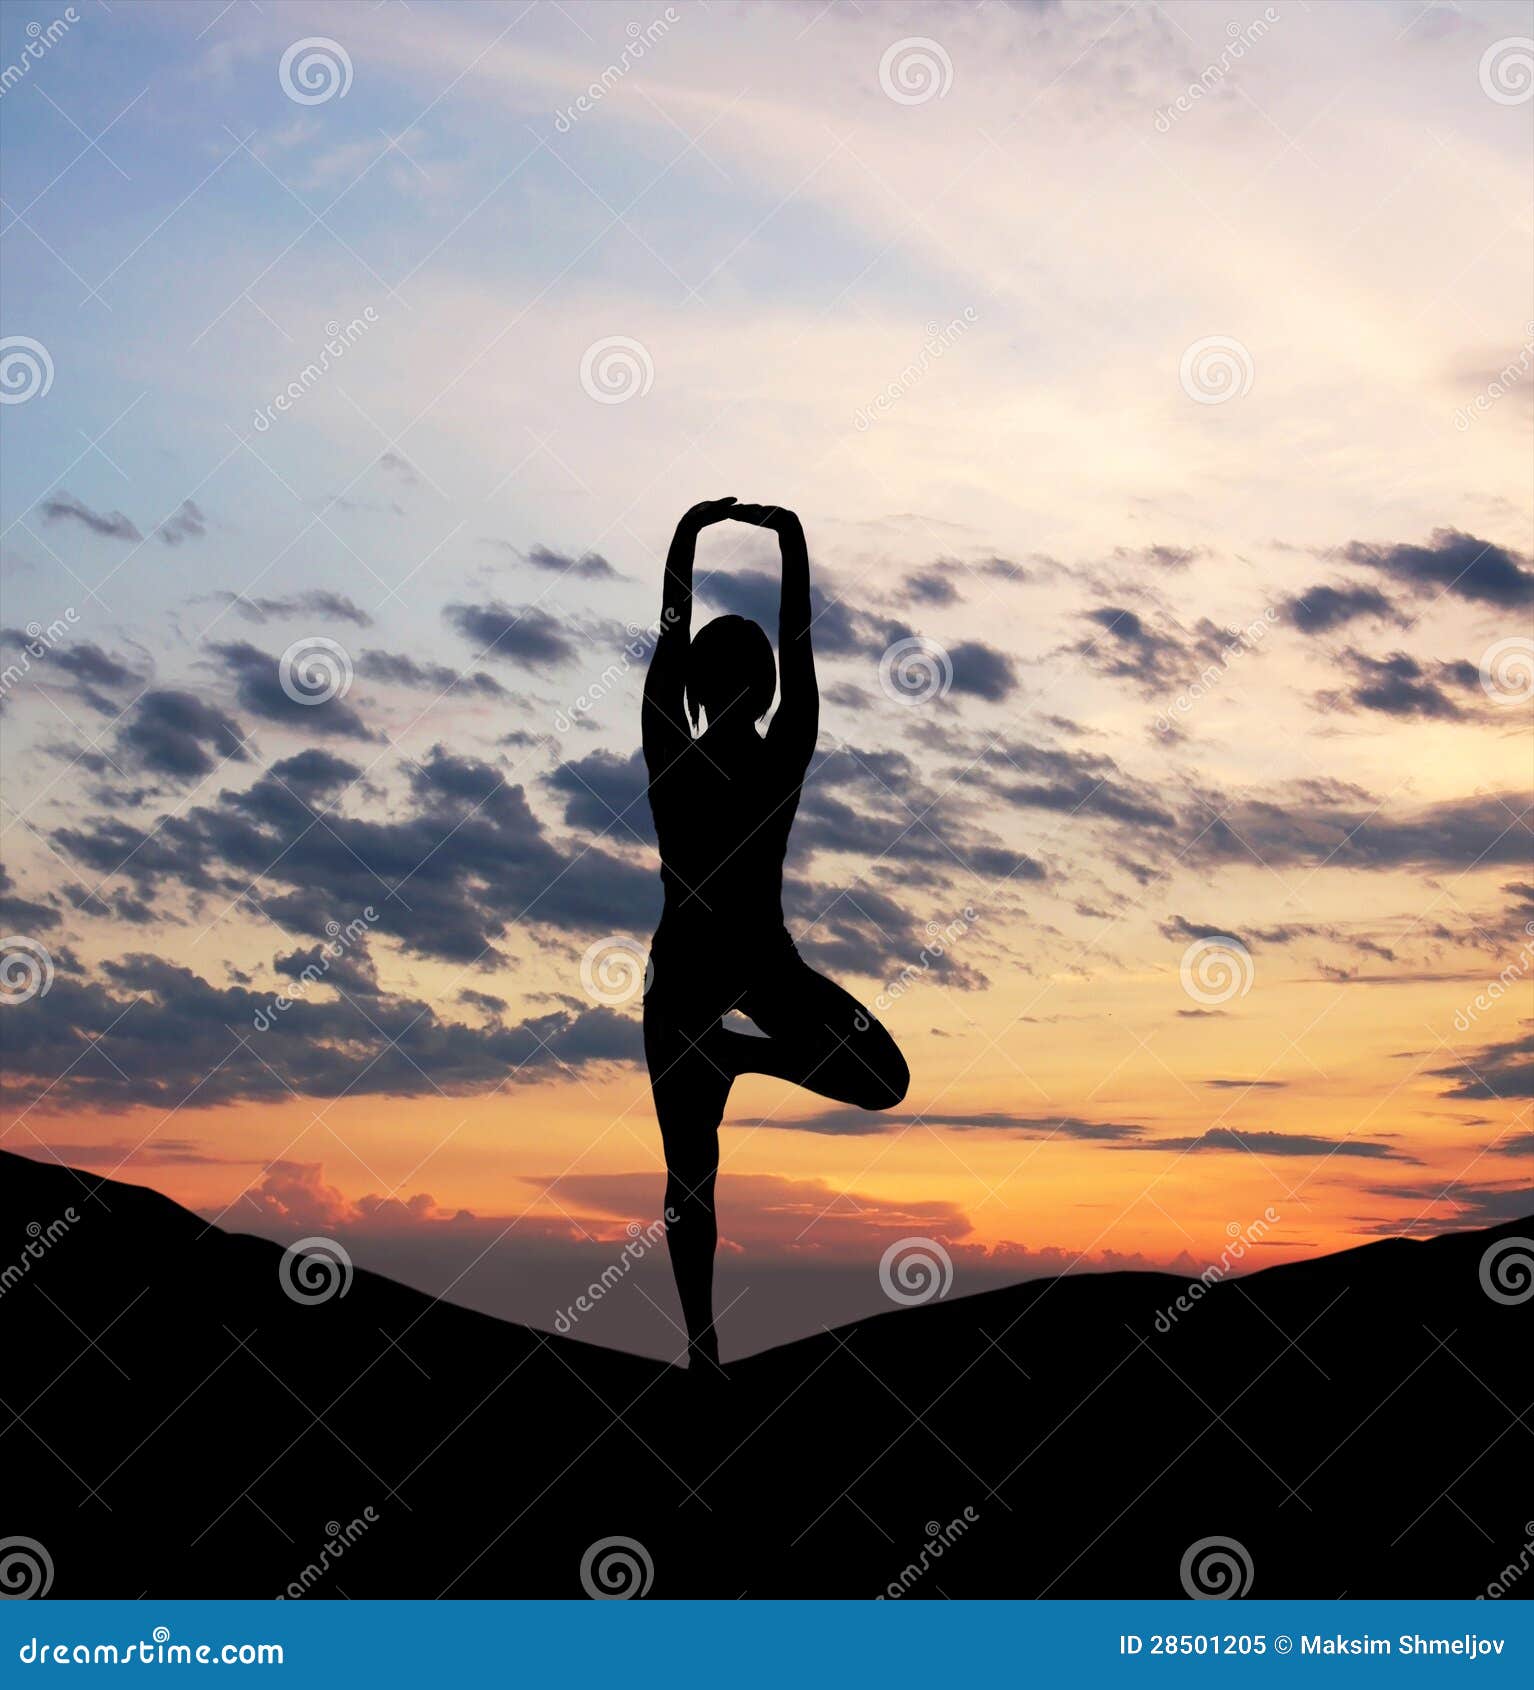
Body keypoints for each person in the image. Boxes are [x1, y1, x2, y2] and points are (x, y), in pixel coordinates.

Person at [641, 497, 910, 1371]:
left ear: (696, 689)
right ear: (761, 689)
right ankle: (701, 1349)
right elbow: (798, 646)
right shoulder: (779, 751)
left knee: (691, 1178)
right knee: (878, 1077)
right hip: (750, 968)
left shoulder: (670, 751)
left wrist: (688, 536)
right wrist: (790, 540)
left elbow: (670, 637)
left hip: (703, 977)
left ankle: (701, 1347)